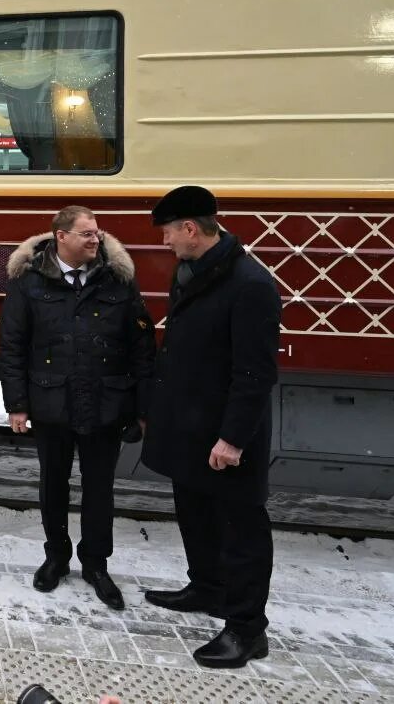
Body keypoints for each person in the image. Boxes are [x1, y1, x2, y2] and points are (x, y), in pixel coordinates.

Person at [142, 185, 281, 669]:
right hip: (190, 426)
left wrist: (234, 437)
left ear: (191, 229)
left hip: (225, 433)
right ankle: (207, 588)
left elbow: (255, 372)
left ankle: (247, 630)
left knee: (241, 529)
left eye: (167, 233)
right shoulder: (194, 273)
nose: (164, 243)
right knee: (194, 513)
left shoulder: (250, 284)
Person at [0, 206, 155, 610]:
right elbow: (12, 345)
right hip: (50, 402)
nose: (96, 240)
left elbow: (141, 347)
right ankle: (56, 557)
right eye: (86, 233)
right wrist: (17, 404)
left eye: (98, 233)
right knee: (53, 484)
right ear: (60, 237)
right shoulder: (28, 282)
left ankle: (96, 564)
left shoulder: (119, 280)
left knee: (100, 488)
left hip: (106, 402)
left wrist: (142, 407)